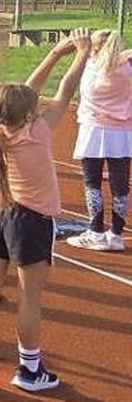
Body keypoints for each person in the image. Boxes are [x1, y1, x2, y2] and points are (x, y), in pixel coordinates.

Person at [0, 30, 93, 393]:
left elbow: (23, 94)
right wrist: (81, 53)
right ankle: (30, 370)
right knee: (29, 299)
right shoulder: (37, 131)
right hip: (31, 222)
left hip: (0, 215)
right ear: (27, 113)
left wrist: (57, 53)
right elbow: (66, 91)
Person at [65, 31, 131, 252]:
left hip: (93, 130)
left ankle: (96, 232)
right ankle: (117, 235)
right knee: (121, 185)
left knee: (92, 183)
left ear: (93, 48)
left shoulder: (91, 67)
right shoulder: (127, 67)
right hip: (123, 133)